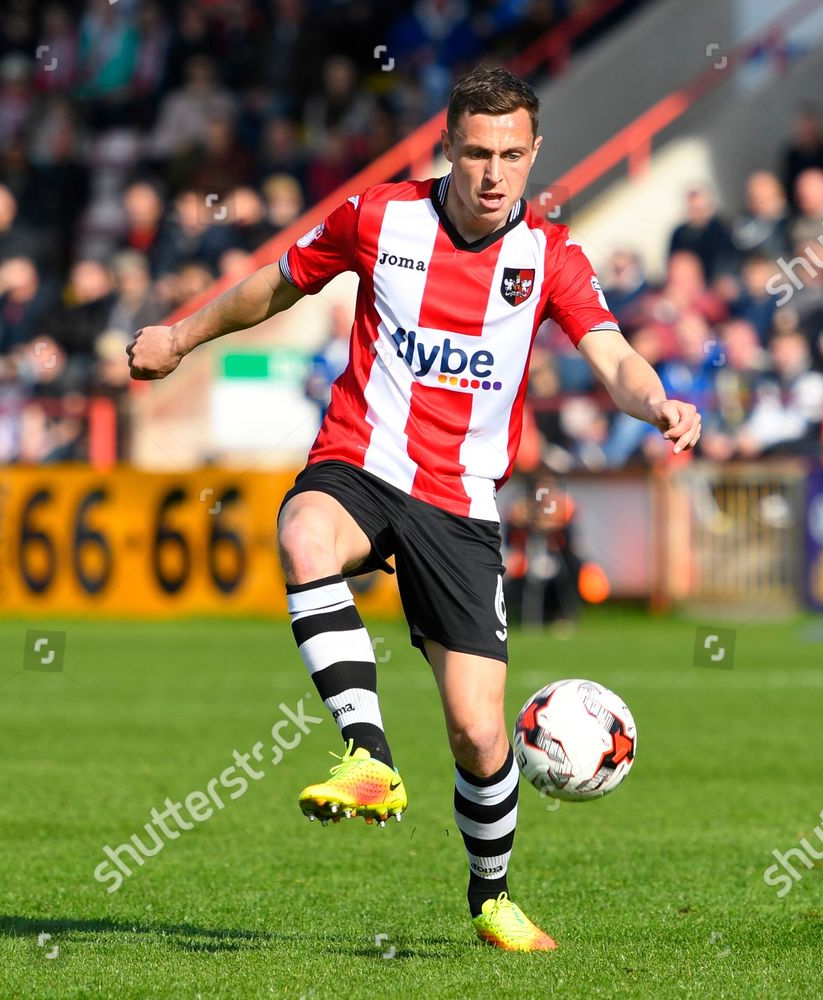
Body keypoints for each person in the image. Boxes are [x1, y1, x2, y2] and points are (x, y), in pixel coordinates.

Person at [126, 66, 700, 952]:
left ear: (535, 153)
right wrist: (179, 334)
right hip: (362, 459)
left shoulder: (550, 256)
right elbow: (277, 283)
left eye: (511, 154)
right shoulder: (378, 217)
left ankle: (492, 898)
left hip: (461, 506)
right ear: (448, 148)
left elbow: (614, 354)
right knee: (304, 531)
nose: (493, 173)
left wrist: (658, 402)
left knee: (478, 733)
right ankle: (369, 757)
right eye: (476, 153)